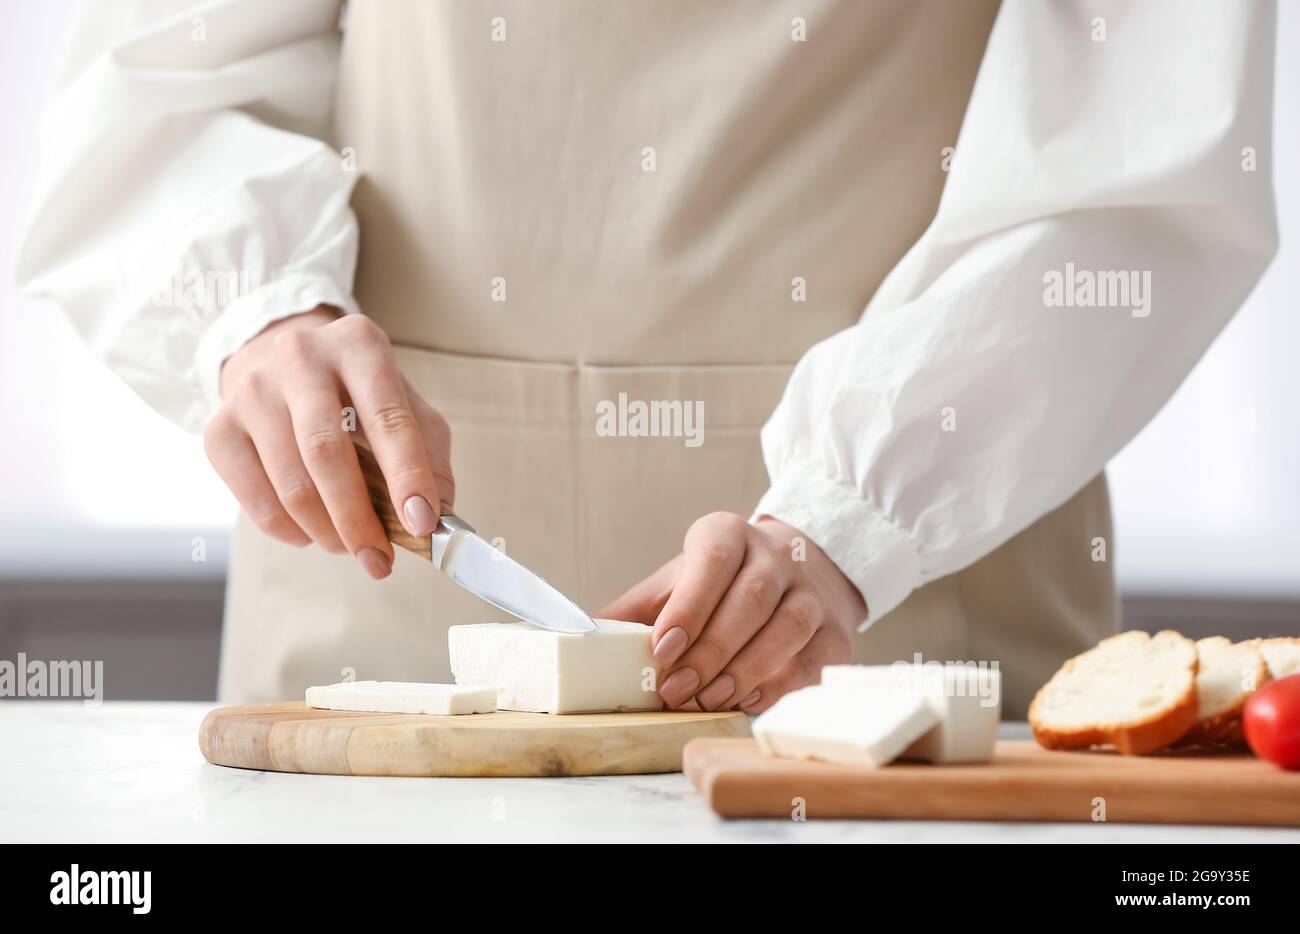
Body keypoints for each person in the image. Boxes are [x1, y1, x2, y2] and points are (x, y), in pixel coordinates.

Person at [17, 0, 1277, 717]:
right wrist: (256, 315)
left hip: (898, 640)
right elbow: (158, 69)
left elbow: (1140, 162)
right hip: (378, 642)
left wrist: (852, 519)